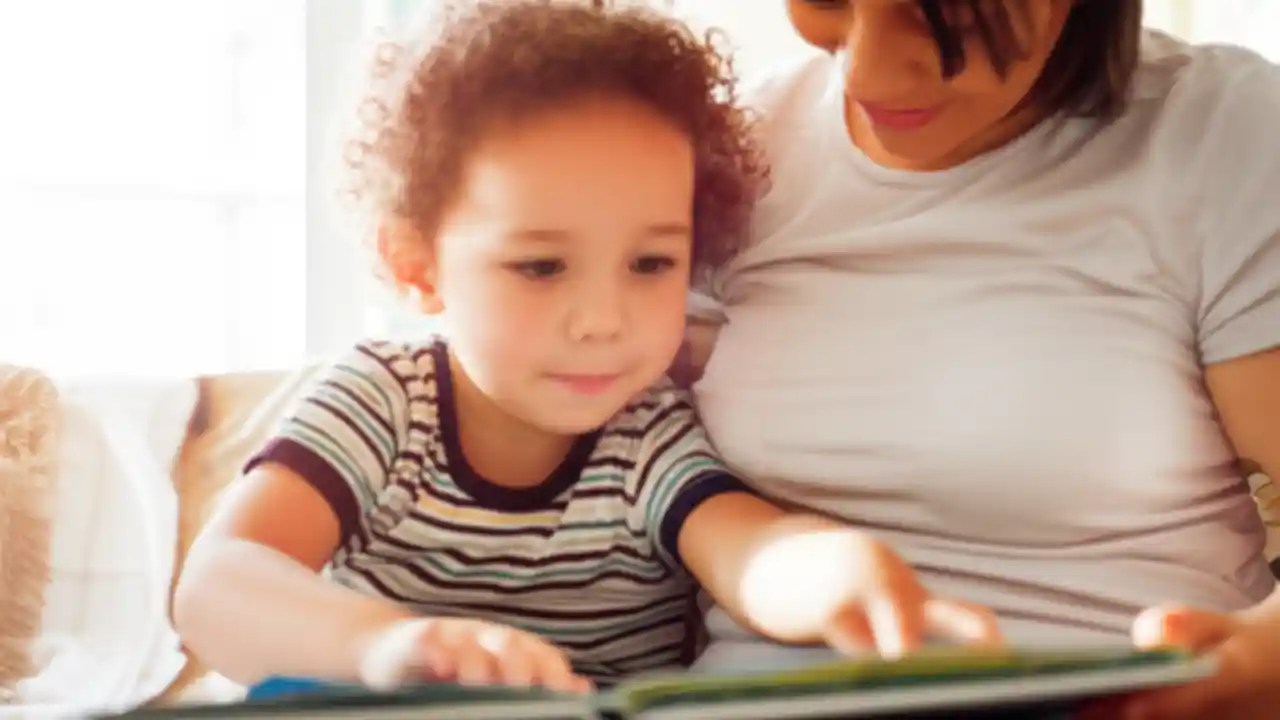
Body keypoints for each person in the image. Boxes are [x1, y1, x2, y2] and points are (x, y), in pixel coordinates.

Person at [172, 0, 1001, 696]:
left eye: (651, 263)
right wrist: (388, 648)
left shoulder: (648, 435)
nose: (603, 319)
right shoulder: (383, 400)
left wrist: (835, 573)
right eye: (540, 266)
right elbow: (220, 581)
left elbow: (746, 546)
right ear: (417, 266)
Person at [681, 1, 1280, 717]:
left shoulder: (1222, 134)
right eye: (829, 1)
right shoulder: (743, 142)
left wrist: (1250, 662)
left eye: (953, 20)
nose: (868, 72)